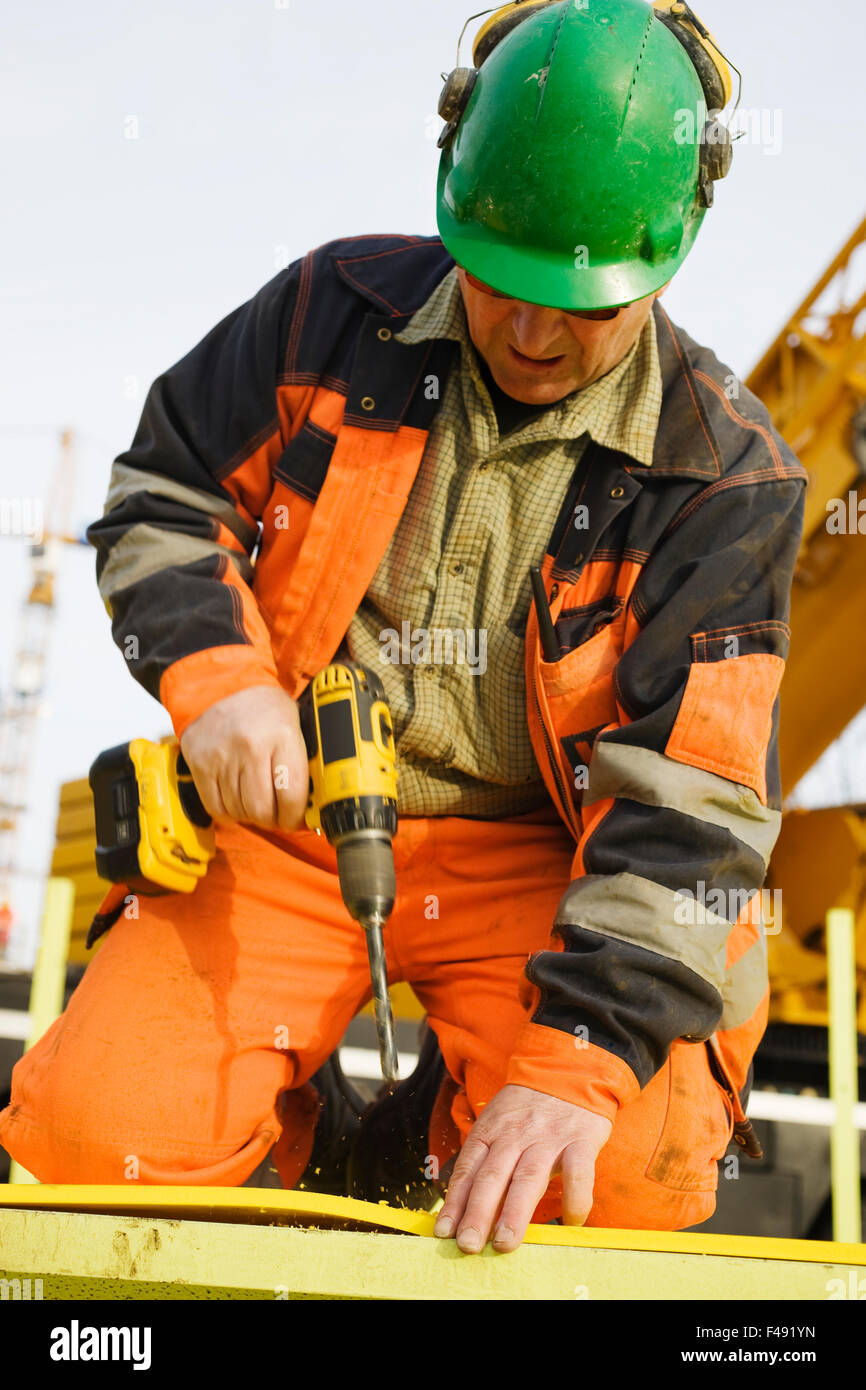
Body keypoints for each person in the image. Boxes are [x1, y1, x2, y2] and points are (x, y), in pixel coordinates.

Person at [0, 0, 806, 1256]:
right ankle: (302, 1136)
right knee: (108, 1140)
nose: (531, 334)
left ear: (669, 251)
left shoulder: (725, 478)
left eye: (575, 302)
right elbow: (161, 497)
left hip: (549, 865)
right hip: (297, 827)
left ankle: (427, 1137)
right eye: (499, 283)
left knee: (617, 1177)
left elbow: (694, 812)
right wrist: (223, 687)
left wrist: (577, 1060)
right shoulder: (330, 309)